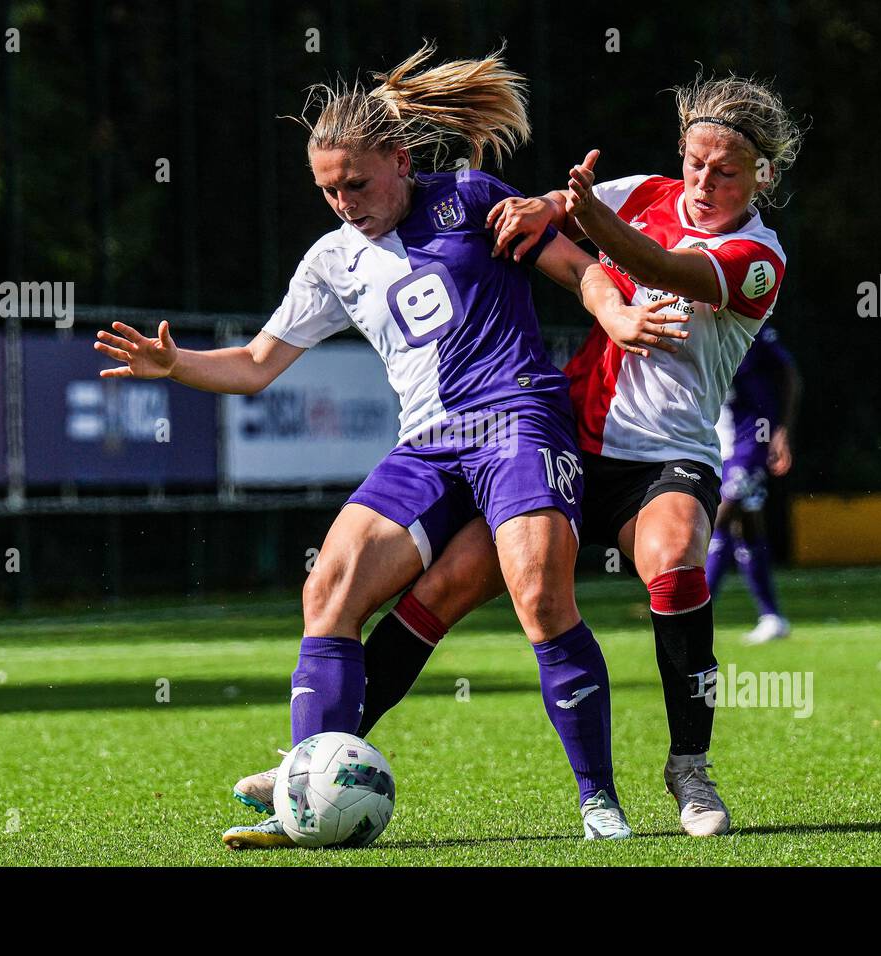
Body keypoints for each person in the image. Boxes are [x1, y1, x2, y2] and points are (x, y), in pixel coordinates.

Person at [96, 45, 677, 846]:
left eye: (356, 184)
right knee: (328, 593)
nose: (343, 203)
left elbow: (579, 269)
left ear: (401, 161)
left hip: (517, 422)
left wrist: (618, 317)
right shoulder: (331, 260)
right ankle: (306, 788)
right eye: (327, 190)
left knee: (540, 599)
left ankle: (598, 803)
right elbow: (259, 364)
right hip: (430, 447)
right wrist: (174, 365)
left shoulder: (472, 197)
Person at [236, 73, 803, 838]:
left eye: (725, 170)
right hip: (567, 436)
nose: (703, 181)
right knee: (441, 591)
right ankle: (320, 757)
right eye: (694, 161)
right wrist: (544, 207)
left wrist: (589, 219)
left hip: (664, 457)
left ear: (762, 175)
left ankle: (689, 770)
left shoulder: (757, 256)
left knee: (673, 564)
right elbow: (546, 216)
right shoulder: (642, 193)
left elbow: (665, 270)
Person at [707, 326, 801, 644]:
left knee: (721, 513)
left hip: (753, 441)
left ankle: (696, 608)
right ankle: (772, 616)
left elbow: (789, 373)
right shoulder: (692, 327)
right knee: (745, 525)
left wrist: (782, 430)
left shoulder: (750, 328)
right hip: (718, 443)